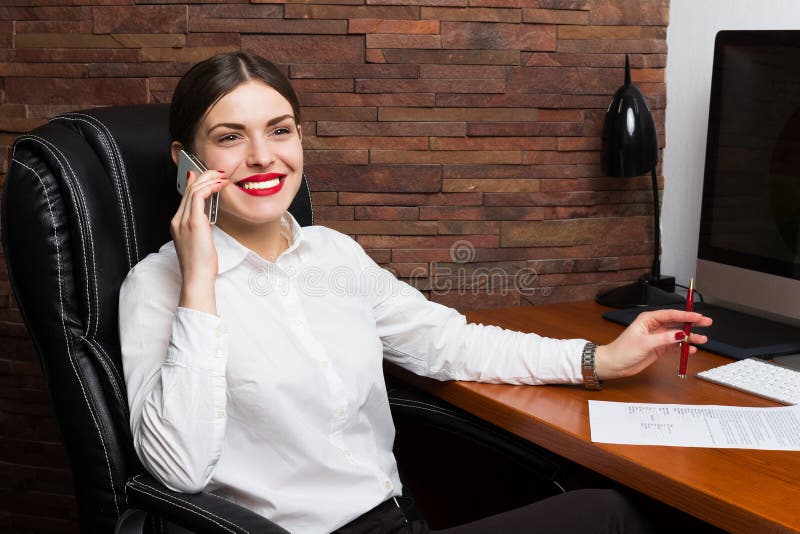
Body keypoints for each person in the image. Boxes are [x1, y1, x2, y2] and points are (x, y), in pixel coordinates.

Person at [119, 52, 712, 534]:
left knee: (614, 511)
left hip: (396, 521)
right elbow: (181, 472)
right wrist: (200, 280)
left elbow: (449, 343)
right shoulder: (157, 285)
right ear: (186, 162)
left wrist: (599, 359)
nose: (262, 156)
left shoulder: (334, 254)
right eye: (230, 137)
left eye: (279, 130)